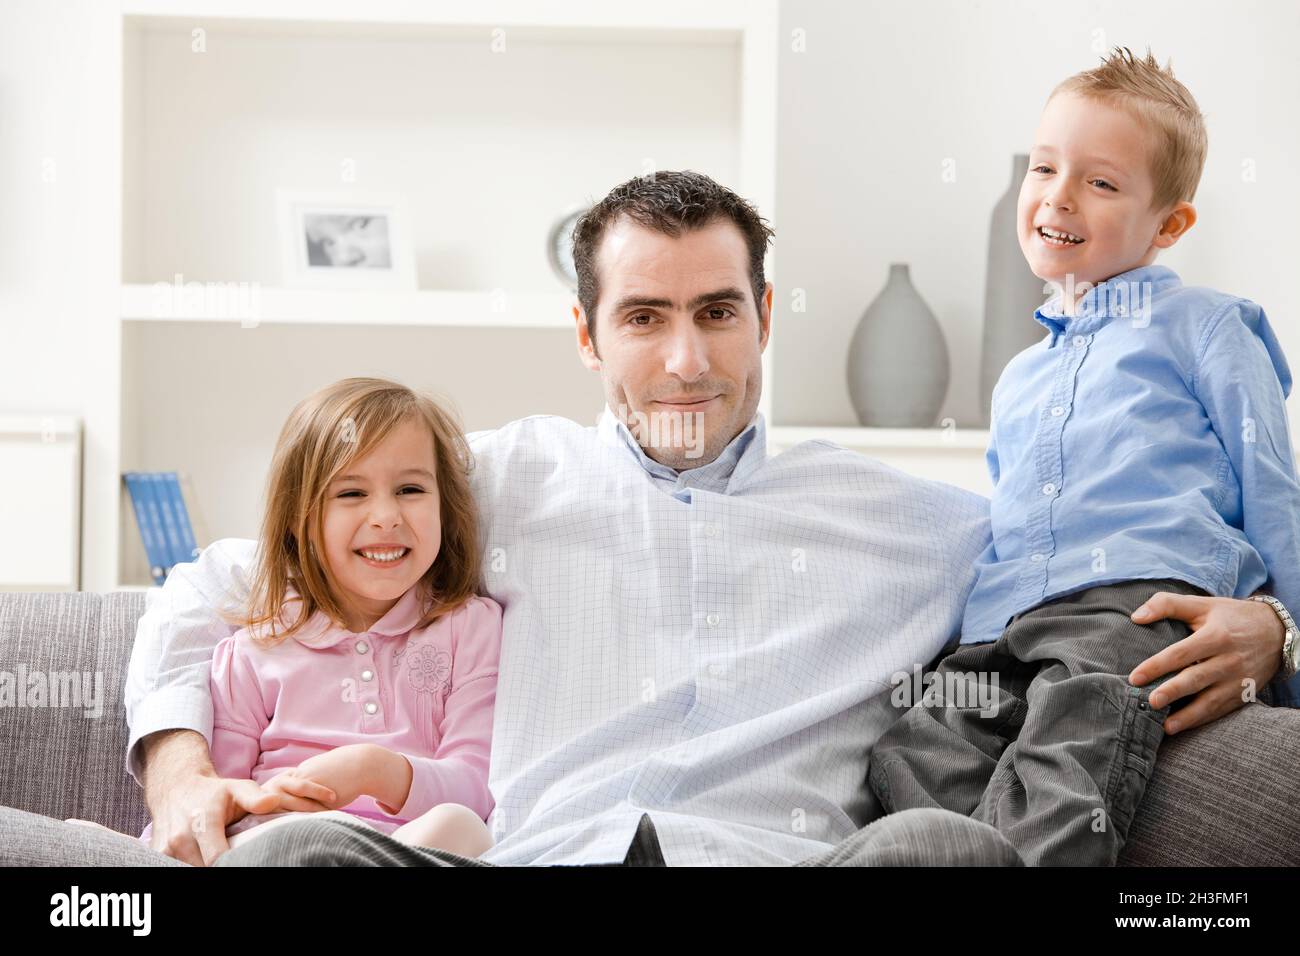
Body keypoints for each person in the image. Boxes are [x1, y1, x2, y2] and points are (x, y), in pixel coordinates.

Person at [0, 171, 1288, 868]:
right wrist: (177, 766)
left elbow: (1097, 568)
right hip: (515, 861)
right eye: (643, 316)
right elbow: (218, 577)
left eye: (717, 312)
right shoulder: (479, 481)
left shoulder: (914, 522)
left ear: (766, 319)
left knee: (942, 847)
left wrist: (1271, 617)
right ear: (584, 334)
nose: (685, 359)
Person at [868, 48, 1300, 866]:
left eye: (1101, 183)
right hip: (1003, 632)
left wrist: (1288, 642)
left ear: (1169, 224)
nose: (1058, 196)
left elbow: (1274, 491)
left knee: (1073, 751)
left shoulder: (1208, 327)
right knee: (912, 746)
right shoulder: (1019, 377)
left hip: (1131, 612)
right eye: (1044, 168)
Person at [70, 378, 501, 861]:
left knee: (459, 826)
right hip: (275, 840)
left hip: (403, 847)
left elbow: (478, 785)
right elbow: (218, 798)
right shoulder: (256, 645)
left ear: (446, 503)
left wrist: (372, 770)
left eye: (410, 488)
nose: (385, 515)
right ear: (299, 517)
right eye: (352, 493)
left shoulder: (471, 628)